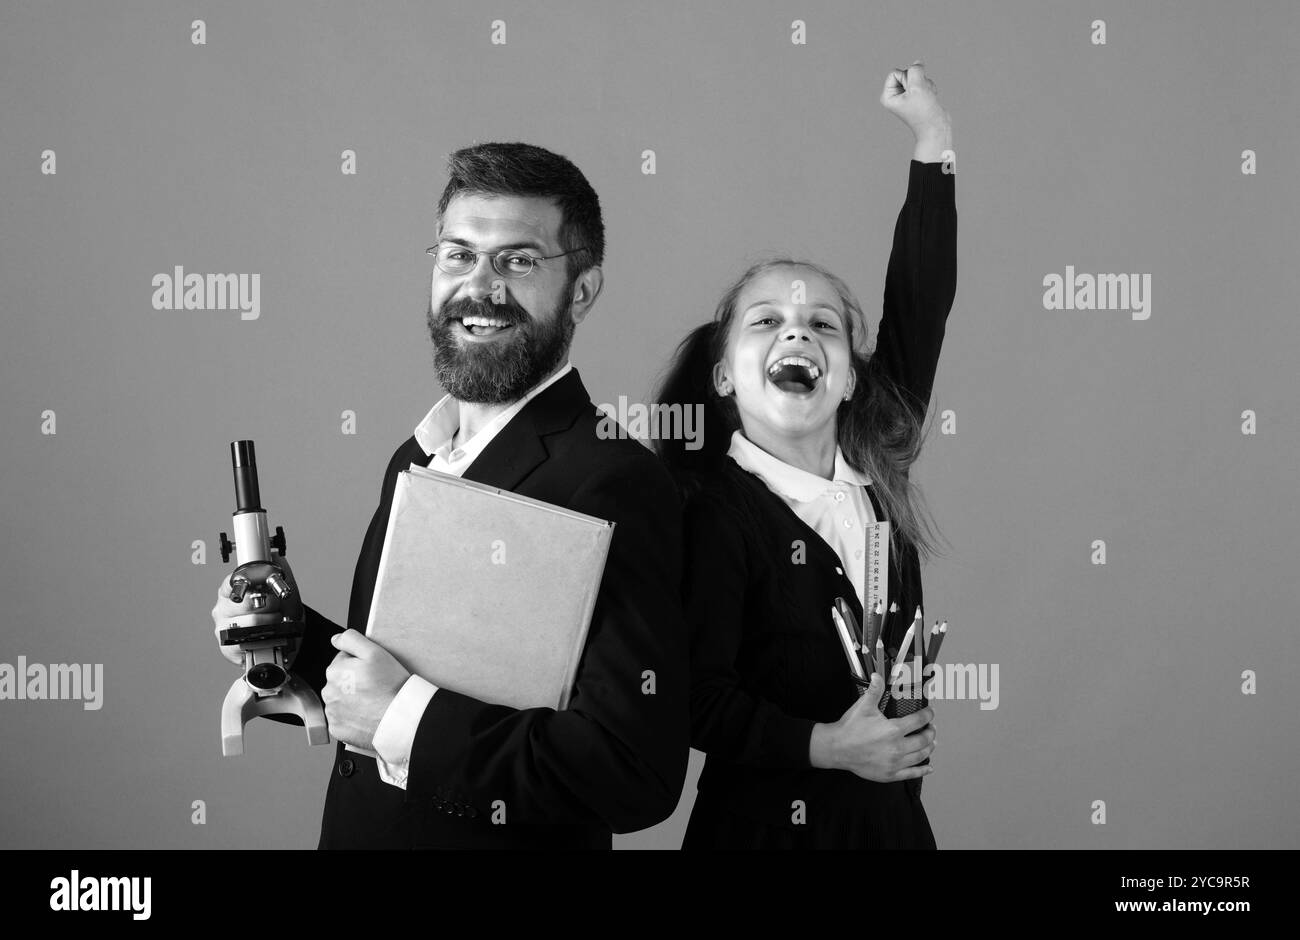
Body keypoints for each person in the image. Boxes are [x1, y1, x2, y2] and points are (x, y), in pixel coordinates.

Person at [212, 142, 689, 849]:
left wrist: (403, 714)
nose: (481, 286)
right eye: (458, 255)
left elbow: (631, 773)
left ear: (582, 290)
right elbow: (396, 681)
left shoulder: (616, 482)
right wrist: (289, 642)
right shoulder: (417, 456)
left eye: (519, 260)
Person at [654, 63, 957, 848]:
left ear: (851, 377)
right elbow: (691, 695)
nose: (797, 332)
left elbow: (920, 302)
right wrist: (827, 746)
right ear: (724, 376)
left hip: (892, 830)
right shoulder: (710, 511)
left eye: (823, 325)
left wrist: (934, 142)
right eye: (766, 322)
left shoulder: (877, 466)